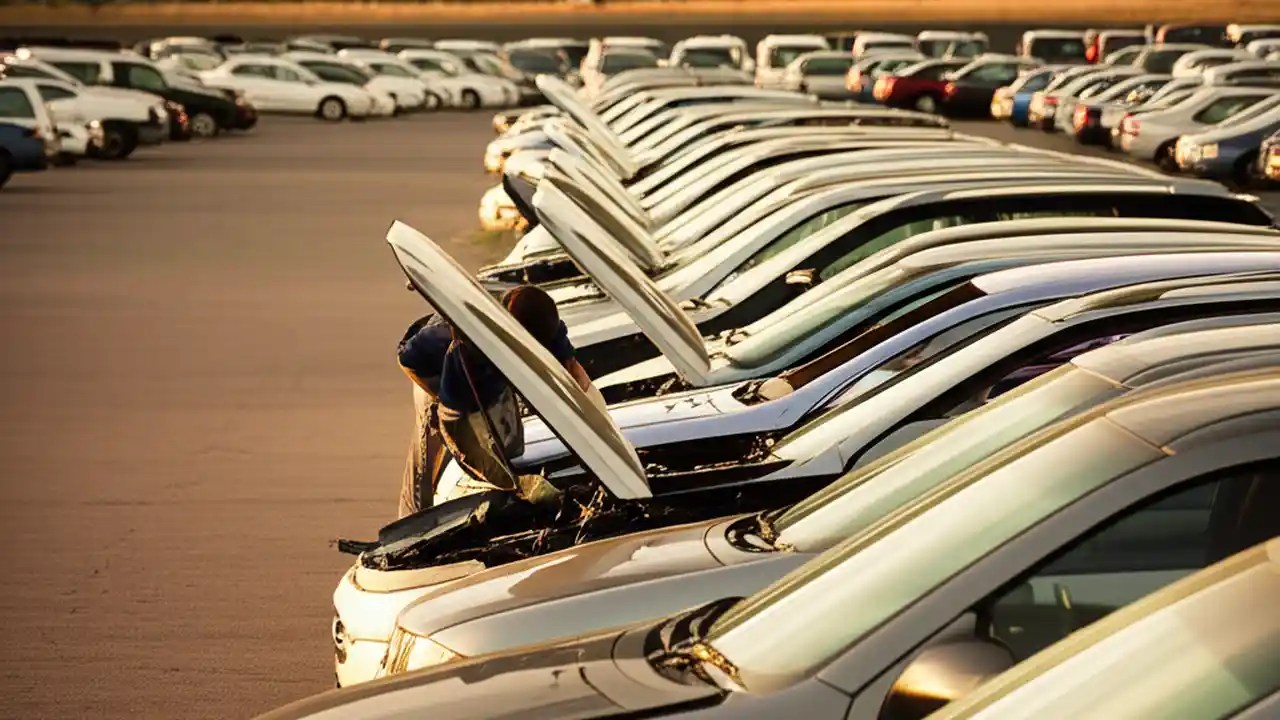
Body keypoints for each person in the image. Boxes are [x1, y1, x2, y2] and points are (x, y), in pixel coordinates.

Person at [396, 285, 602, 516]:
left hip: (485, 369)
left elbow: (576, 376)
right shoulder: (466, 354)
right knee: (428, 470)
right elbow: (456, 433)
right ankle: (412, 527)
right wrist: (507, 481)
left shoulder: (543, 322)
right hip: (429, 371)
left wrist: (602, 440)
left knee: (510, 446)